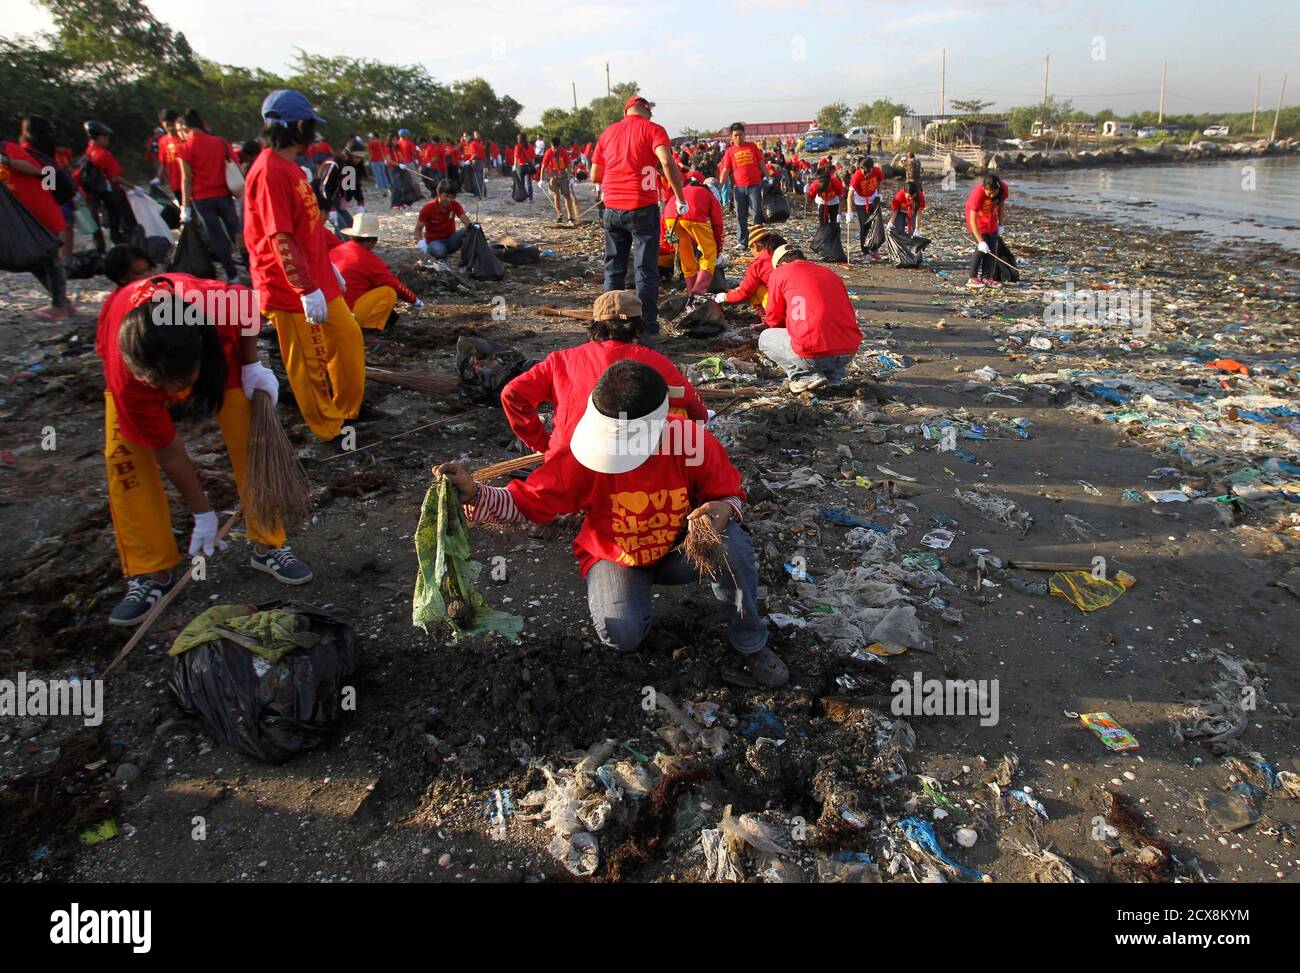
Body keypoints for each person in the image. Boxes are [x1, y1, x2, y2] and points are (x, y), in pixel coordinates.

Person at [436, 360, 787, 687]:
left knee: (733, 544)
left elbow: (729, 494)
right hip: (617, 555)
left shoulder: (689, 440)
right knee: (622, 636)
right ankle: (634, 604)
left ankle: (750, 641)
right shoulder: (581, 451)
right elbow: (528, 503)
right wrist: (474, 494)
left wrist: (722, 509)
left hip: (682, 551)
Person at [98, 272, 313, 625]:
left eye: (181, 385)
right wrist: (202, 512)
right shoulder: (130, 379)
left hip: (213, 355)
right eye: (163, 387)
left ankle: (268, 543)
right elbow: (168, 450)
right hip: (137, 361)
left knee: (252, 438)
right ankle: (151, 572)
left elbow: (247, 305)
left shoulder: (216, 307)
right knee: (126, 461)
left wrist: (251, 366)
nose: (176, 395)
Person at [243, 89, 371, 444]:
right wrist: (304, 288)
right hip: (288, 287)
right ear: (298, 125)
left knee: (348, 339)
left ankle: (346, 409)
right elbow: (280, 237)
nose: (315, 132)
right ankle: (328, 427)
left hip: (318, 278)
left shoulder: (293, 168)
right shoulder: (268, 171)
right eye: (312, 124)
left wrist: (329, 267)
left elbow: (309, 228)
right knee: (310, 362)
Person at [501, 290, 707, 458]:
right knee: (678, 413)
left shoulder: (561, 360)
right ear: (637, 327)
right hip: (628, 462)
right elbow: (692, 404)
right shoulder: (654, 361)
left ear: (595, 325)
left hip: (568, 459)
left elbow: (512, 394)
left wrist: (544, 444)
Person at [590, 95, 688, 337]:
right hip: (642, 207)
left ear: (626, 111)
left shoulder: (608, 133)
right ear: (648, 112)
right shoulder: (653, 130)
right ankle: (646, 327)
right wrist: (680, 198)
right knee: (645, 269)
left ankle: (607, 324)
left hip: (612, 208)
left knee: (614, 267)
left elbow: (594, 175)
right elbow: (666, 161)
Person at [759, 244, 862, 392]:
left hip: (812, 356)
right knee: (827, 328)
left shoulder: (780, 273)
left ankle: (804, 376)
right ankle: (835, 377)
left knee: (765, 338)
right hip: (848, 352)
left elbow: (774, 318)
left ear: (780, 264)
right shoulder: (830, 273)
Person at [1, 119, 74, 320]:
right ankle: (63, 303)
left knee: (49, 257)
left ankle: (60, 306)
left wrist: (4, 160)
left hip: (39, 210)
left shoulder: (8, 148)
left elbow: (38, 170)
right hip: (25, 215)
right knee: (35, 260)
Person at [177, 107, 242, 282]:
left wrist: (185, 208)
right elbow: (235, 164)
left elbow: (186, 180)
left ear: (185, 128)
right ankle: (249, 262)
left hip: (202, 199)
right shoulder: (220, 142)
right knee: (236, 230)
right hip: (224, 194)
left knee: (216, 236)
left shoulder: (185, 148)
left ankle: (232, 273)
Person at [332, 213, 421, 331]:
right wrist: (415, 301)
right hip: (349, 312)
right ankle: (369, 329)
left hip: (331, 309)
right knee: (388, 293)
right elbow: (394, 285)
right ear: (372, 240)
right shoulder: (369, 260)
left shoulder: (337, 250)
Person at [663, 170, 725, 296]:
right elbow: (717, 227)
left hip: (669, 217)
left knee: (686, 256)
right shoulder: (710, 197)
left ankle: (691, 291)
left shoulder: (688, 189)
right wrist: (717, 252)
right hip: (692, 215)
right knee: (709, 253)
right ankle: (700, 290)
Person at [717, 123, 764, 250]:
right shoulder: (729, 151)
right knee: (740, 215)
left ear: (744, 134)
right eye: (735, 135)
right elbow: (726, 169)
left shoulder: (752, 147)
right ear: (731, 137)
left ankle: (758, 241)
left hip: (755, 186)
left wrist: (769, 178)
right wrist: (720, 185)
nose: (738, 137)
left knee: (756, 213)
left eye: (740, 135)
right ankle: (743, 241)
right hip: (739, 188)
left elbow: (761, 163)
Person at [714, 225, 783, 310]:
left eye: (751, 248)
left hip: (784, 305)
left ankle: (766, 319)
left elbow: (745, 292)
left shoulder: (758, 264)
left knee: (756, 289)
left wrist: (725, 297)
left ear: (755, 246)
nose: (751, 252)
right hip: (799, 298)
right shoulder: (784, 253)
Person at [965, 173, 1008, 288]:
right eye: (989, 193)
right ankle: (972, 277)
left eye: (994, 193)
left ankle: (987, 277)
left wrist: (1001, 224)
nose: (992, 195)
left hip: (991, 221)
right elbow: (973, 219)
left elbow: (1001, 206)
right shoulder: (977, 194)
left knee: (992, 249)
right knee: (982, 250)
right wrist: (980, 241)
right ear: (984, 188)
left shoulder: (1003, 189)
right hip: (977, 222)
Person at [416, 180, 475, 259]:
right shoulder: (428, 208)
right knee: (440, 252)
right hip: (434, 242)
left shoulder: (455, 205)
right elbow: (417, 229)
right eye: (446, 196)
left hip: (451, 240)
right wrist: (421, 243)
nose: (449, 200)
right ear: (438, 194)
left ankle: (470, 258)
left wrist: (473, 228)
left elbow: (466, 221)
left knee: (471, 229)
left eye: (452, 197)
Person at [848, 156, 886, 260]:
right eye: (863, 172)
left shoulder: (877, 171)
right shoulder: (856, 176)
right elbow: (850, 195)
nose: (865, 175)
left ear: (872, 169)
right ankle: (865, 252)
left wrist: (879, 194)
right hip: (860, 201)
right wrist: (850, 212)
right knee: (864, 225)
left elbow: (880, 182)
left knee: (875, 225)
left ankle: (874, 249)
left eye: (867, 173)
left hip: (873, 198)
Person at [540, 137, 580, 223]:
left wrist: (572, 177)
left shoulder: (563, 152)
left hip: (563, 176)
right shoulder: (548, 153)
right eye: (554, 148)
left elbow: (568, 165)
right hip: (553, 176)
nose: (555, 149)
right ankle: (559, 215)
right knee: (556, 196)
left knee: (567, 196)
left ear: (559, 146)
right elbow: (543, 167)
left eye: (557, 147)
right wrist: (541, 179)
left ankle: (570, 216)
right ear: (551, 145)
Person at [155, 109, 183, 197]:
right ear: (162, 123)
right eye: (167, 125)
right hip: (175, 183)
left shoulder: (184, 137)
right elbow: (163, 162)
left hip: (190, 182)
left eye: (172, 124)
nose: (170, 127)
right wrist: (158, 178)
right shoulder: (163, 141)